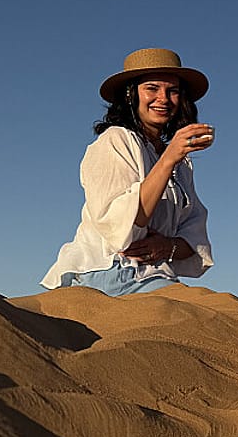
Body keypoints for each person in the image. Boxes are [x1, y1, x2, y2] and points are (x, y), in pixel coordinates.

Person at [42, 48, 215, 295]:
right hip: (112, 271)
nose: (163, 99)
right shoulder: (115, 141)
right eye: (152, 89)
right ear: (130, 94)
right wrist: (169, 158)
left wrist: (168, 246)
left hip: (155, 274)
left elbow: (196, 237)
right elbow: (123, 228)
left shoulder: (182, 164)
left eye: (172, 91)